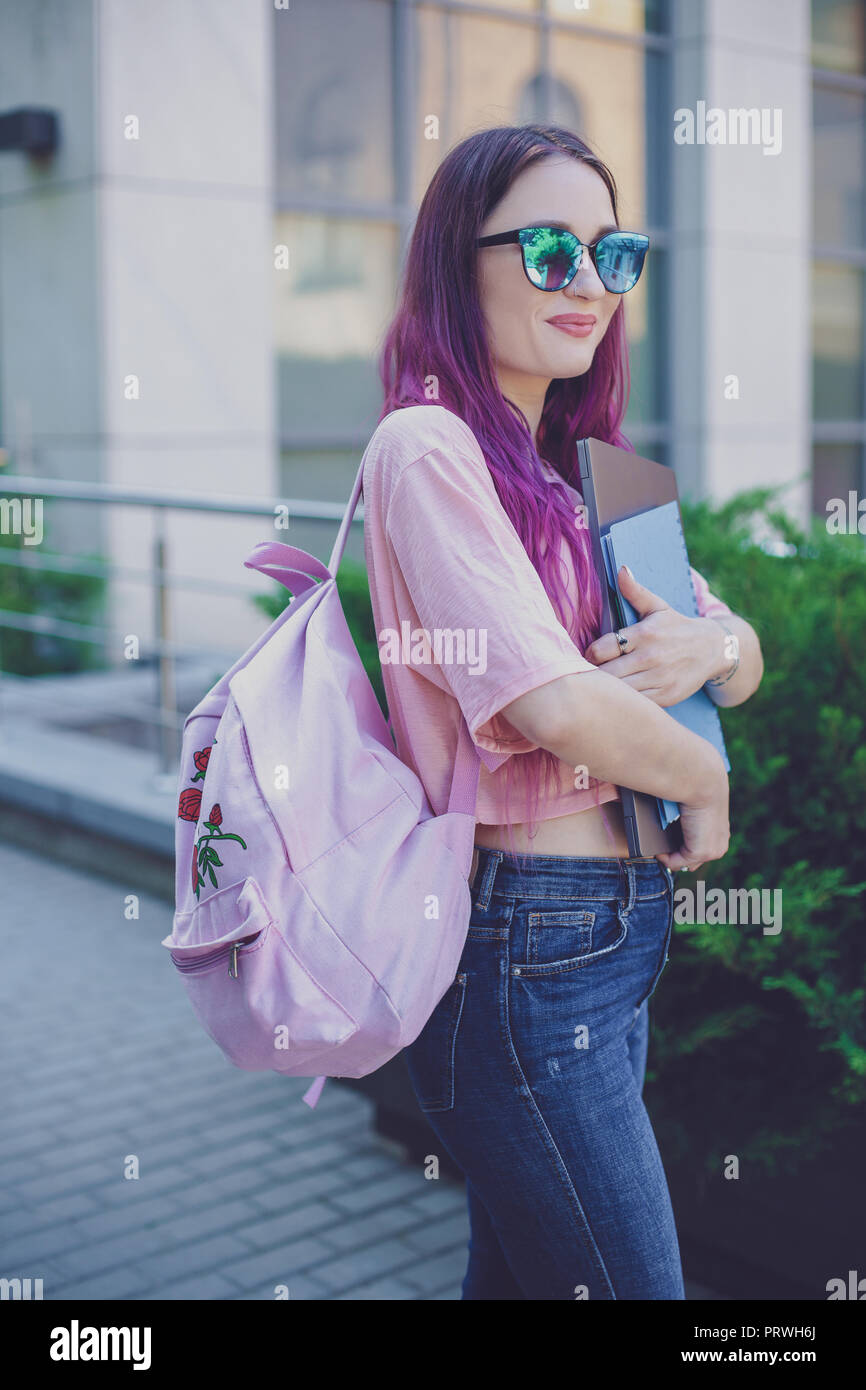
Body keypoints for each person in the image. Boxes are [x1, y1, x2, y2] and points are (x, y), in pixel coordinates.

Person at [361, 124, 764, 1300]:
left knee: (528, 1279)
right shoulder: (427, 446)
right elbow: (547, 701)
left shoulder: (582, 467)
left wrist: (715, 643)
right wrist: (704, 776)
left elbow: (735, 659)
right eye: (547, 249)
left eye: (611, 252)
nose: (587, 282)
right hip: (523, 940)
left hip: (610, 926)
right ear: (456, 259)